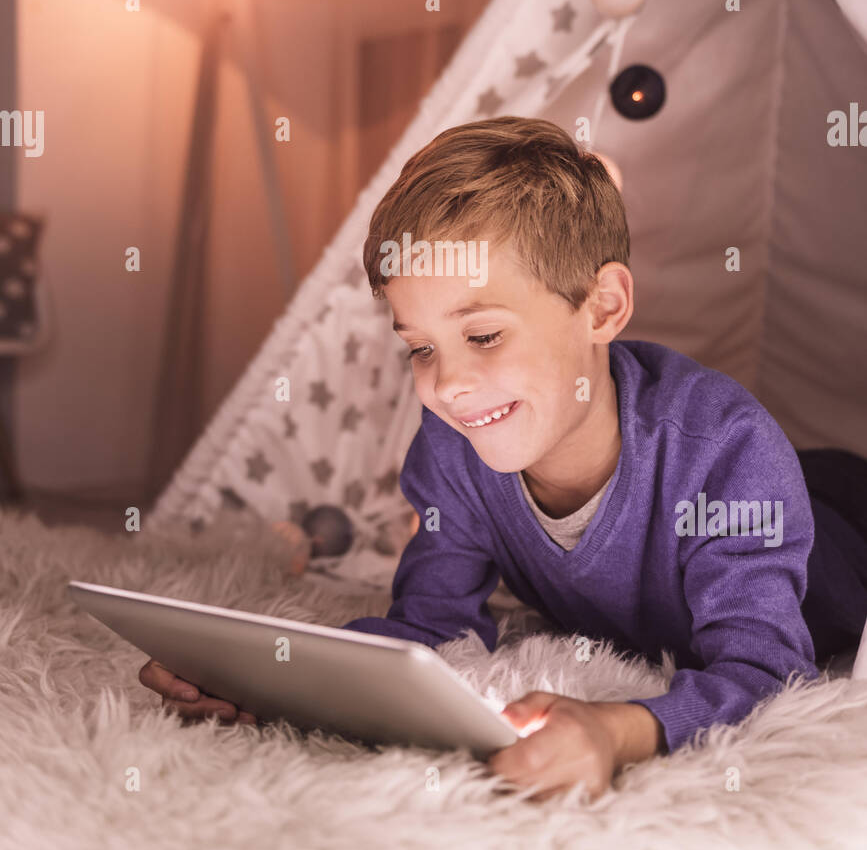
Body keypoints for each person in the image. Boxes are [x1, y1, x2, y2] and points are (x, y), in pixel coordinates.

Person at [140, 117, 867, 802]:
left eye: (483, 336)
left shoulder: (726, 453)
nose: (447, 385)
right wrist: (256, 674)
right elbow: (427, 630)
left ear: (602, 308)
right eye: (420, 349)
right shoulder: (452, 451)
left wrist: (616, 729)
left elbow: (768, 673)